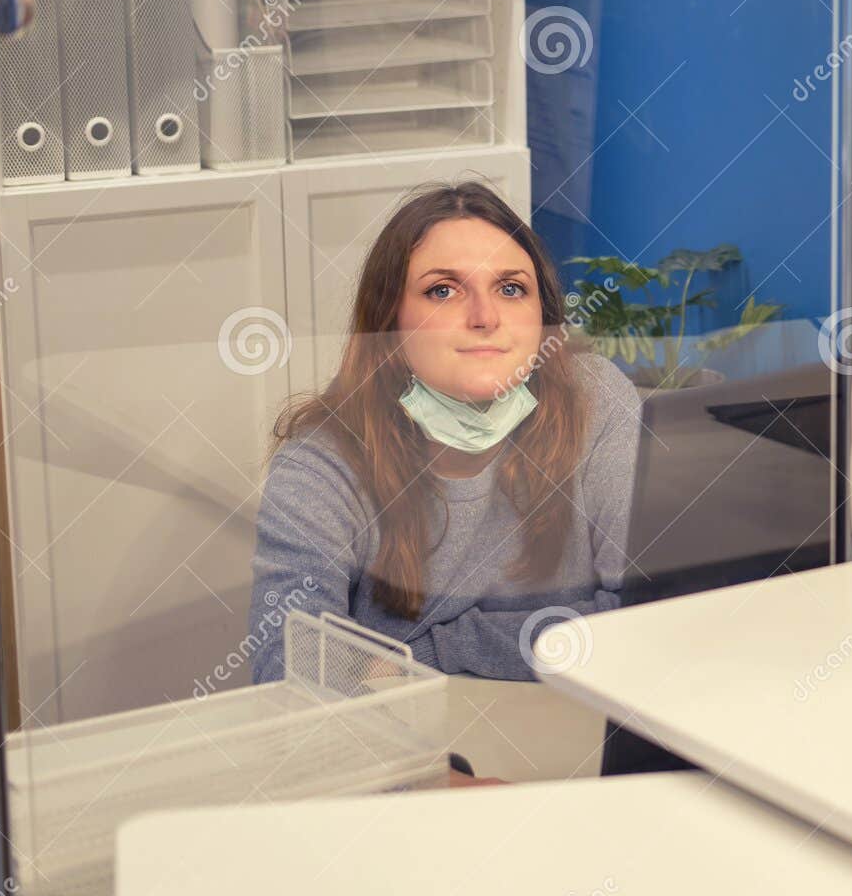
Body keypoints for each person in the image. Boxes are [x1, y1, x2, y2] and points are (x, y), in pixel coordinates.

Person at [246, 182, 640, 778]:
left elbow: (643, 620)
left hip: (583, 745)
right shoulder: (322, 461)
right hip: (416, 765)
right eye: (443, 291)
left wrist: (432, 648)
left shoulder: (597, 401)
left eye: (511, 289)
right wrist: (439, 786)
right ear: (391, 327)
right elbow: (295, 681)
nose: (484, 318)